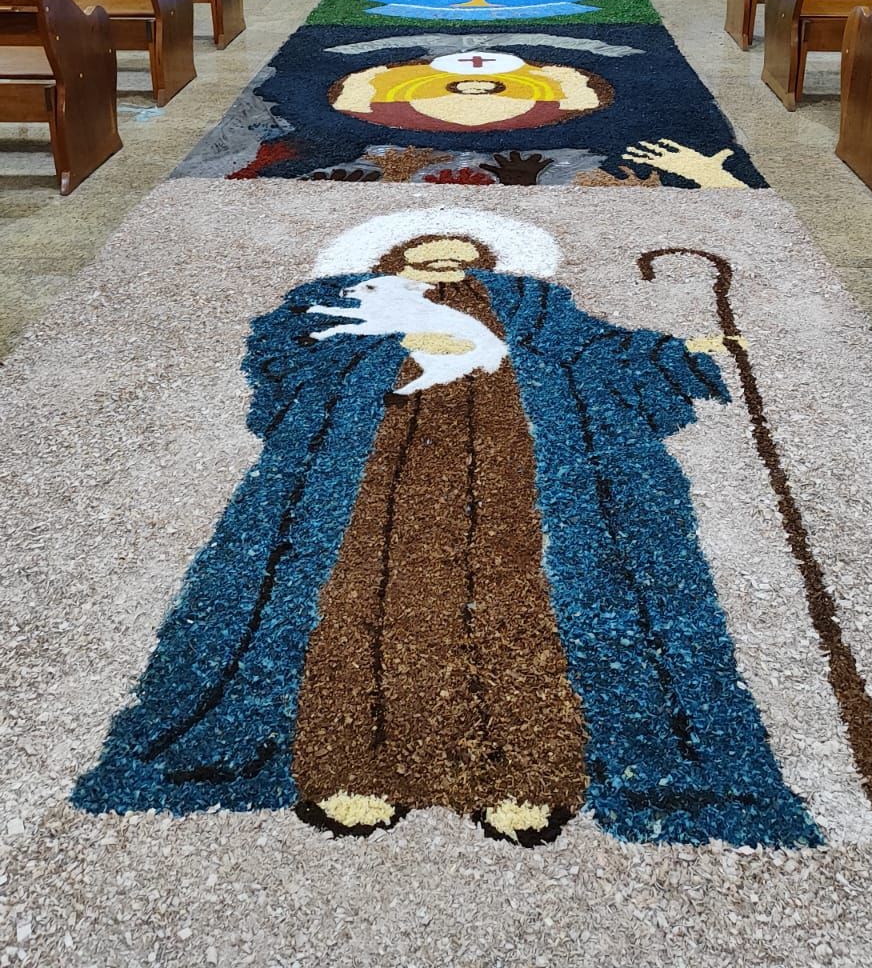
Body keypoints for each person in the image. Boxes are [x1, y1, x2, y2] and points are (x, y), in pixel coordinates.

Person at [74, 211, 819, 850]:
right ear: (388, 257)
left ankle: (522, 775)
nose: (446, 258)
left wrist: (677, 354)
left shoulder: (527, 301)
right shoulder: (336, 300)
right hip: (375, 452)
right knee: (357, 593)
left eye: (464, 252)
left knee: (518, 595)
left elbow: (589, 348)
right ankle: (350, 768)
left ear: (488, 261)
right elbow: (282, 363)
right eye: (426, 251)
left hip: (509, 456)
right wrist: (398, 356)